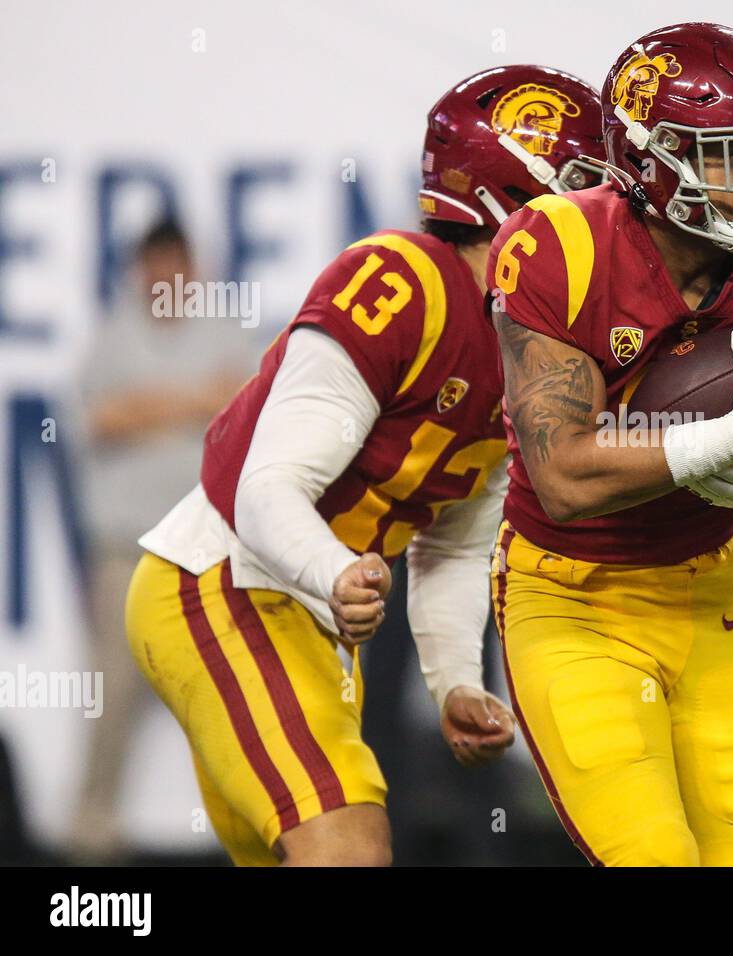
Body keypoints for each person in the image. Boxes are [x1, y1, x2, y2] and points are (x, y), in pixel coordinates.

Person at [124, 66, 606, 866]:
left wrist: (453, 679)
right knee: (349, 844)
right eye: (583, 198)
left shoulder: (529, 348)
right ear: (510, 207)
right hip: (226, 584)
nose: (603, 227)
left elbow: (451, 543)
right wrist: (333, 572)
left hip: (310, 617)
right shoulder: (405, 286)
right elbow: (267, 489)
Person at [488, 23, 733, 866]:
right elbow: (563, 479)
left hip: (710, 583)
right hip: (572, 593)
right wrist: (717, 441)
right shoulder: (564, 249)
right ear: (654, 162)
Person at [70, 218, 250, 862]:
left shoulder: (225, 331)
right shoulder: (114, 337)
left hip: (208, 546)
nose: (168, 277)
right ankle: (90, 839)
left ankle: (247, 833)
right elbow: (102, 418)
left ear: (192, 266)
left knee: (231, 696)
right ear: (140, 269)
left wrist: (149, 406)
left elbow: (243, 406)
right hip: (126, 546)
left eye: (178, 263)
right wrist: (192, 402)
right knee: (112, 695)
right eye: (156, 265)